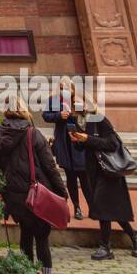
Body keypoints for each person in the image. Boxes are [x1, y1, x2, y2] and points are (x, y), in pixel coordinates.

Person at [0, 98, 74, 274]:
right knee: (42, 239)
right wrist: (63, 192)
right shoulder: (32, 133)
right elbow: (49, 165)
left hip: (15, 196)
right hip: (35, 193)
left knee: (26, 236)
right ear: (24, 110)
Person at [68, 110, 137, 260]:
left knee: (104, 208)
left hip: (109, 171)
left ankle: (106, 247)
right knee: (112, 210)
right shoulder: (80, 122)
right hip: (94, 172)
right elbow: (84, 146)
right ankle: (135, 239)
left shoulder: (100, 119)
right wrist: (77, 141)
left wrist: (88, 138)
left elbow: (111, 143)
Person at [42, 77, 90, 219]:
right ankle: (77, 207)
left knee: (85, 177)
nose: (65, 91)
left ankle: (93, 206)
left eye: (68, 88)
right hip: (64, 142)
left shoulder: (77, 100)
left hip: (78, 141)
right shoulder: (54, 100)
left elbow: (86, 115)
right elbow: (45, 115)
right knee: (70, 176)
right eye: (62, 88)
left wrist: (83, 109)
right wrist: (59, 115)